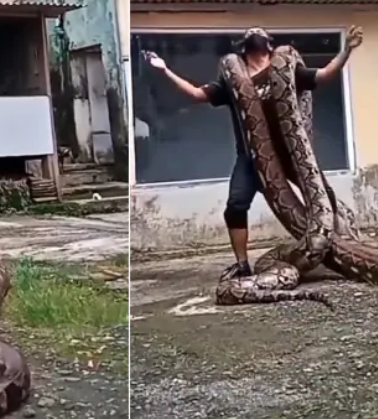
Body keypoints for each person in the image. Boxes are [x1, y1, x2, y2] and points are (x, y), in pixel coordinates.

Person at [145, 26, 364, 279]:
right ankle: (242, 263)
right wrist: (164, 70)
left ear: (270, 46)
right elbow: (197, 94)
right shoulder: (234, 79)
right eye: (251, 34)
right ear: (244, 48)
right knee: (235, 206)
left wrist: (346, 50)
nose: (255, 34)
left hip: (291, 152)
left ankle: (344, 243)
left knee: (323, 195)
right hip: (251, 157)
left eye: (259, 34)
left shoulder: (286, 68)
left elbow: (324, 75)